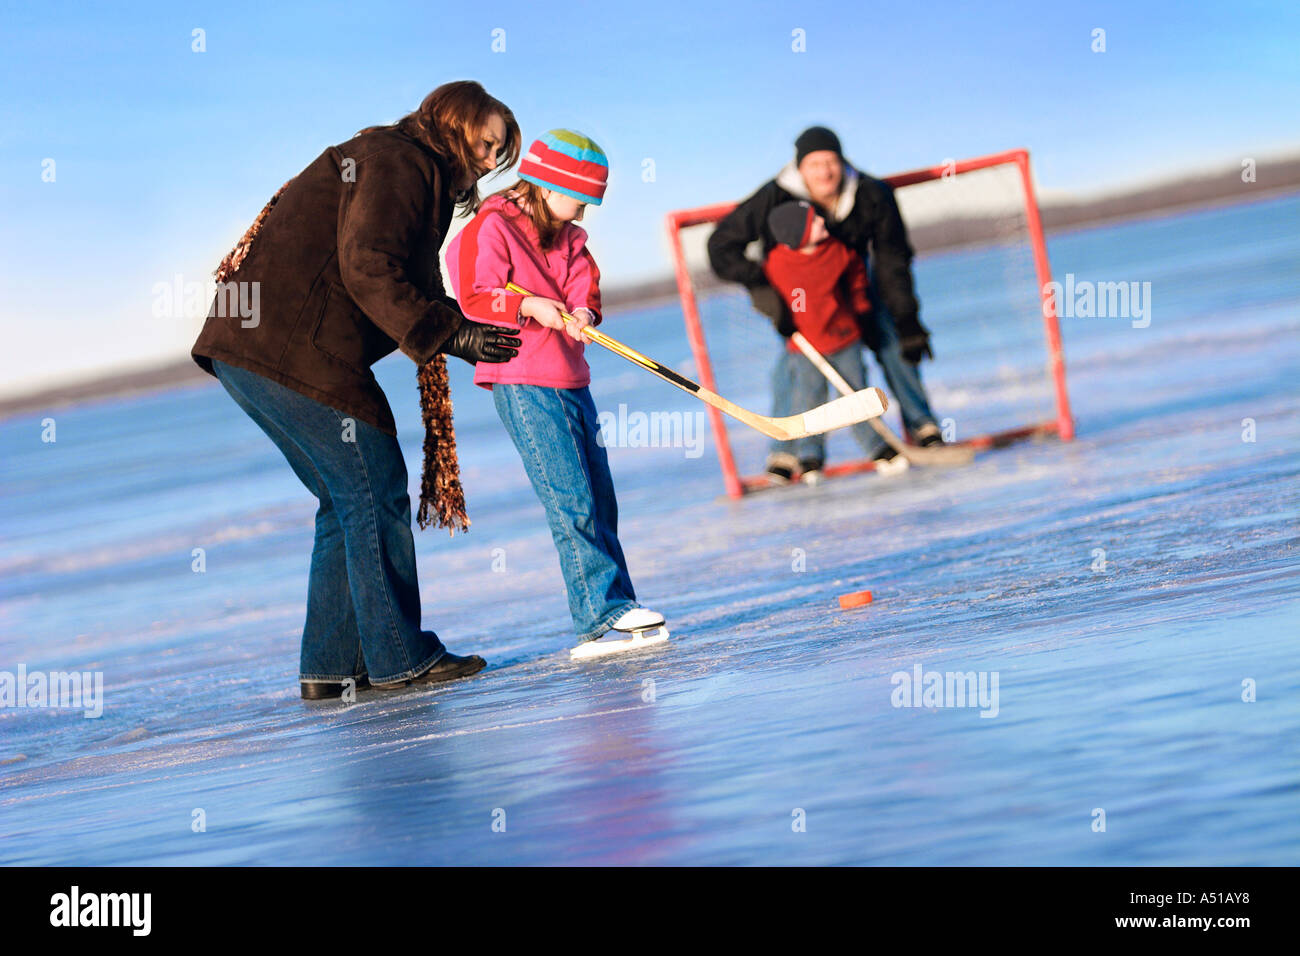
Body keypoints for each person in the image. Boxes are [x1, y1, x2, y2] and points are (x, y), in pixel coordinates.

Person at [191, 81, 525, 699]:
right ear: (451, 124)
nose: (486, 160)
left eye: (496, 152)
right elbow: (370, 265)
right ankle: (400, 658)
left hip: (255, 347)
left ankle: (331, 668)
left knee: (344, 499)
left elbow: (398, 274)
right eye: (484, 144)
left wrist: (460, 328)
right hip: (290, 348)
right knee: (372, 485)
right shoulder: (400, 161)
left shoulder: (397, 162)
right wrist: (451, 332)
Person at [446, 129, 668, 657]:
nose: (583, 214)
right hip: (523, 378)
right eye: (579, 200)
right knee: (571, 499)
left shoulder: (569, 236)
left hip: (570, 374)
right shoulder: (493, 225)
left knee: (600, 497)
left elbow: (582, 280)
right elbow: (474, 295)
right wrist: (528, 308)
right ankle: (599, 619)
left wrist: (582, 311)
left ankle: (620, 605)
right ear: (546, 186)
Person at [707, 125, 945, 482]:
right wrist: (766, 289)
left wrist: (908, 317)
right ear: (800, 168)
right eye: (815, 164)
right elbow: (720, 246)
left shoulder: (870, 193)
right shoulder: (775, 196)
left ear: (842, 161)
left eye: (831, 161)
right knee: (796, 368)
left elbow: (892, 259)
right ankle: (788, 454)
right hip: (798, 301)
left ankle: (922, 427)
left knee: (895, 339)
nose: (824, 172)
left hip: (854, 290)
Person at [761, 200, 884, 484]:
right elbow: (772, 296)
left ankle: (878, 446)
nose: (822, 223)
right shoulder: (778, 263)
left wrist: (862, 308)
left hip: (843, 337)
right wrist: (780, 317)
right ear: (797, 232)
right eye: (814, 222)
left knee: (855, 395)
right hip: (805, 347)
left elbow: (856, 276)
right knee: (809, 400)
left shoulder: (836, 251)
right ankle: (810, 456)